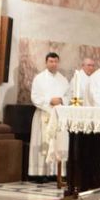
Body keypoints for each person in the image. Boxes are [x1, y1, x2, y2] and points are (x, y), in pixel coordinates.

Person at [29, 52, 69, 181]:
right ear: (46, 63)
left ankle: (54, 173)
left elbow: (69, 95)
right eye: (51, 61)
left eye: (56, 61)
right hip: (43, 114)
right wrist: (49, 102)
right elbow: (35, 97)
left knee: (57, 144)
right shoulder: (39, 78)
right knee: (43, 143)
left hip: (58, 116)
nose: (53, 64)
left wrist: (62, 100)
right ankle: (40, 173)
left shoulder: (63, 79)